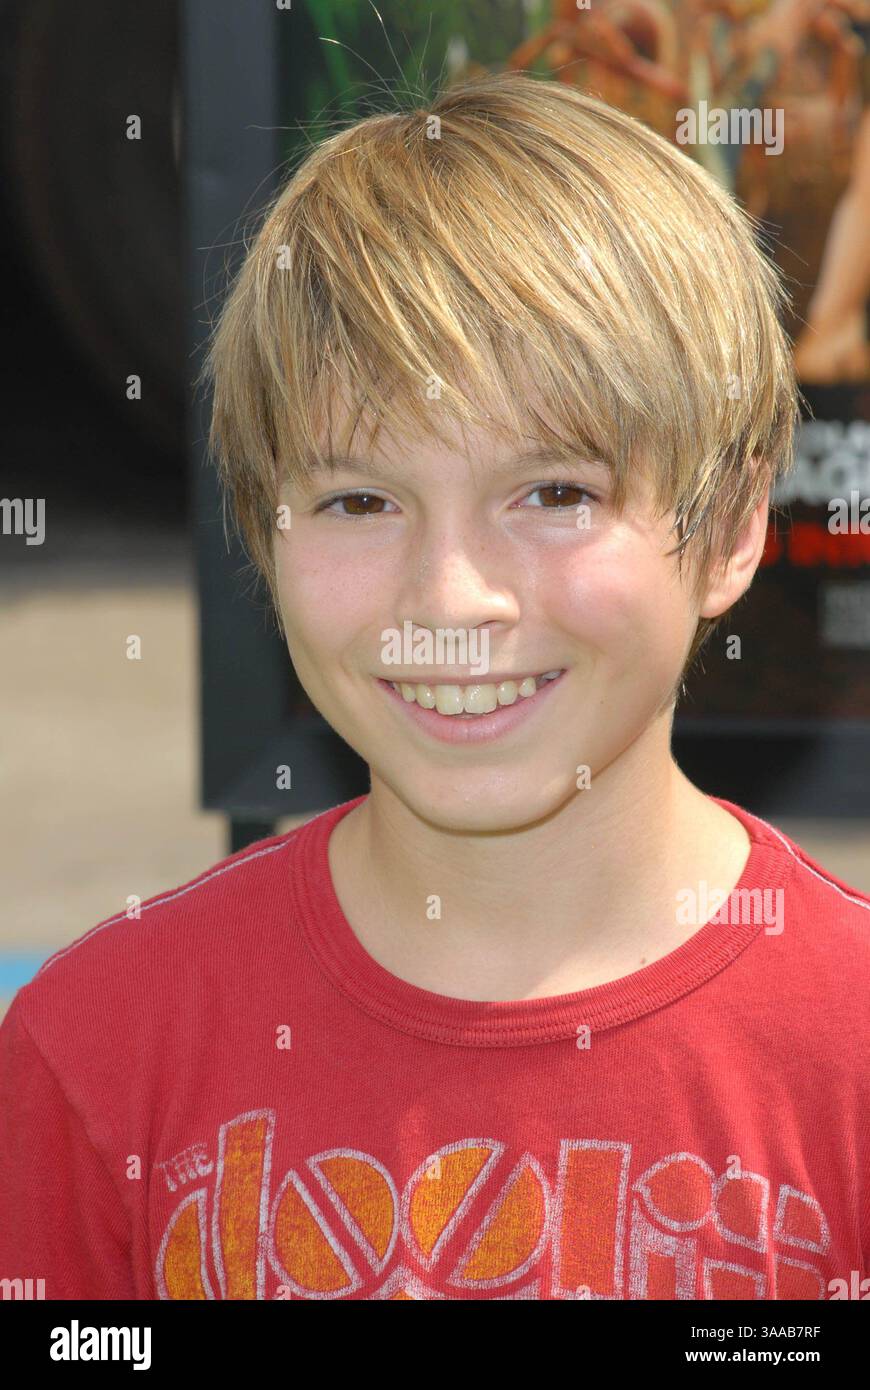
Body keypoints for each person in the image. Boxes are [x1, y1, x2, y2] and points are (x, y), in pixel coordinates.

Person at [1, 71, 867, 1302]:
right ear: (259, 530)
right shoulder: (95, 1051)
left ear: (729, 526)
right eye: (361, 500)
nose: (451, 597)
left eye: (555, 492)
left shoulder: (851, 1055)